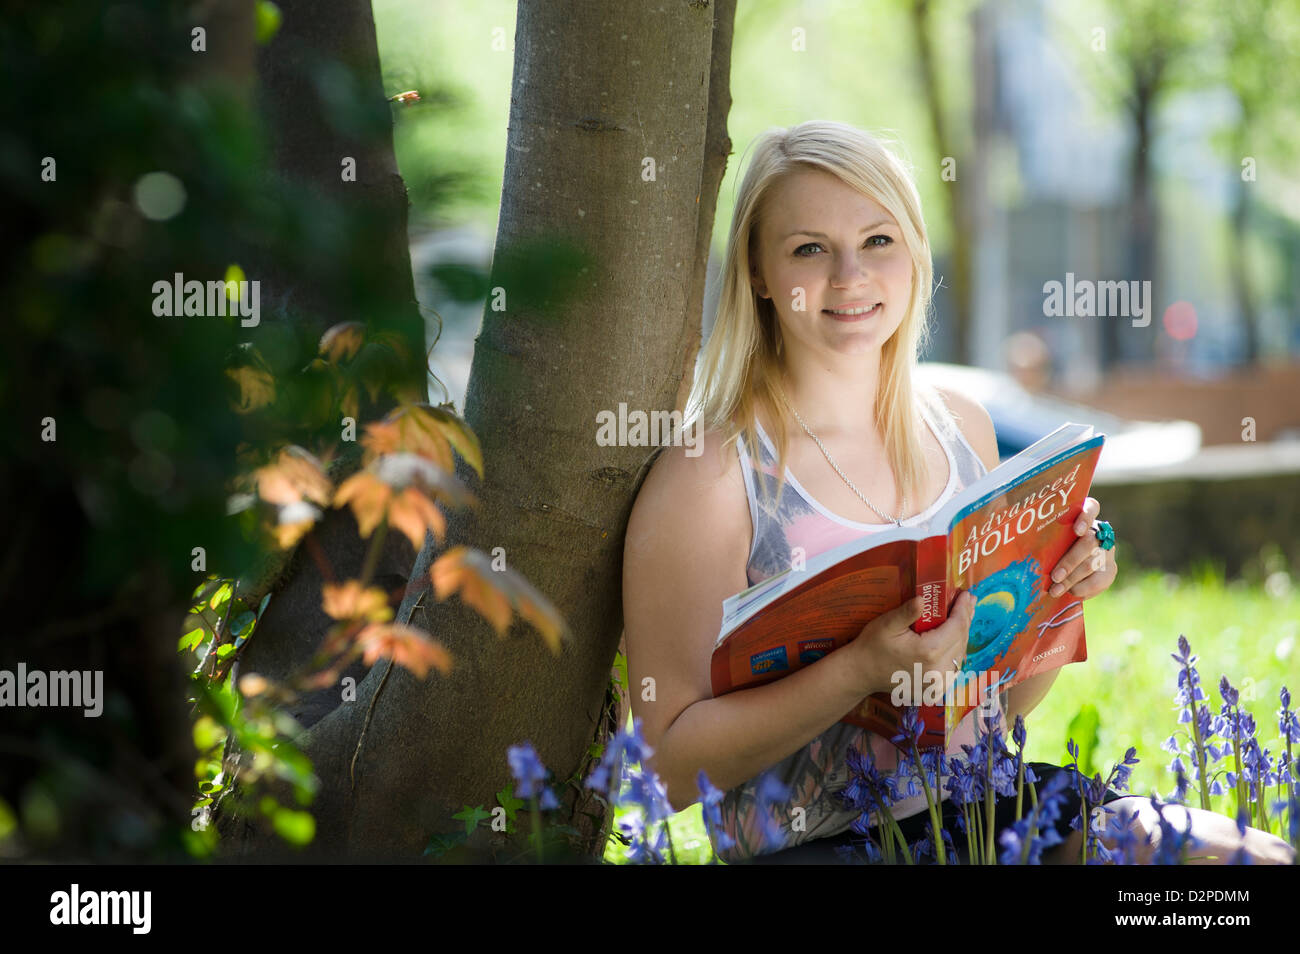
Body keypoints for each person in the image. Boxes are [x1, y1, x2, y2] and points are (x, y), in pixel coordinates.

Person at [621, 120, 1295, 865]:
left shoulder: (960, 427)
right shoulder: (712, 475)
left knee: (1243, 865)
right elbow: (668, 771)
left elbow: (1001, 707)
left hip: (988, 813)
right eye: (809, 248)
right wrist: (855, 674)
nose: (851, 277)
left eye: (878, 240)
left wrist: (1058, 594)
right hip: (824, 847)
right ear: (756, 271)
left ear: (913, 252)